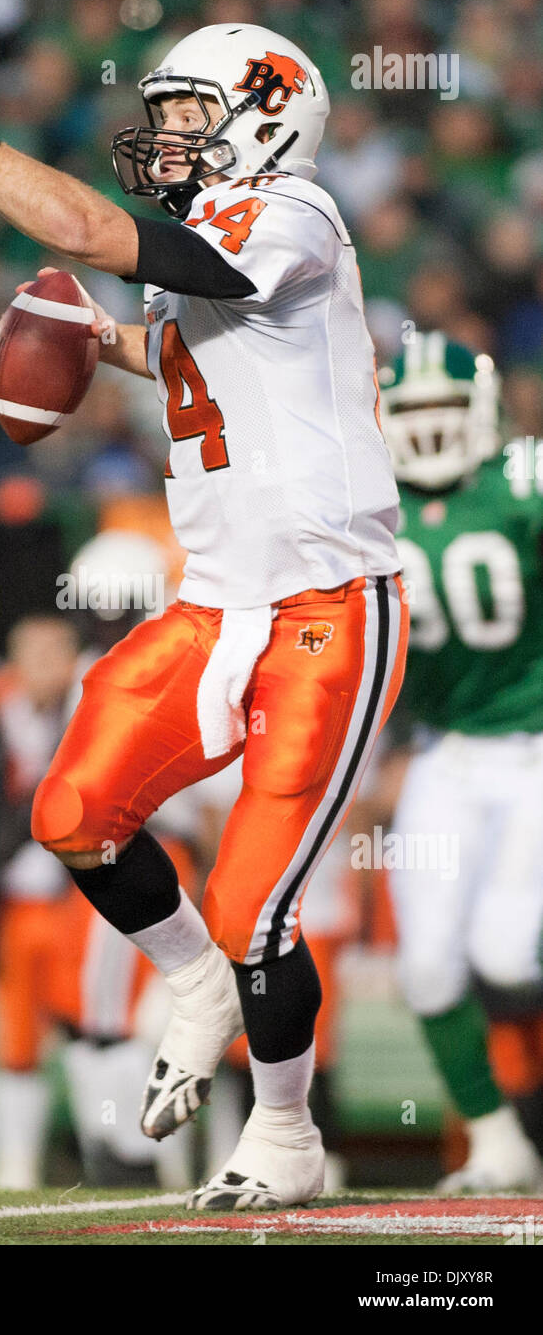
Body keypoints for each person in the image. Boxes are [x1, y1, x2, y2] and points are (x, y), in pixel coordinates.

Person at [0, 20, 408, 1210]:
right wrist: (89, 342)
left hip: (326, 605)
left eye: (188, 113)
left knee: (254, 902)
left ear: (263, 118)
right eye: (162, 111)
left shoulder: (293, 212)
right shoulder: (213, 250)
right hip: (214, 604)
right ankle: (190, 981)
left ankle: (284, 1126)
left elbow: (85, 229)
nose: (162, 134)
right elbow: (203, 362)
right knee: (71, 809)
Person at [382, 331, 543, 1192]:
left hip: (536, 746)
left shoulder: (524, 485)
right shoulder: (368, 505)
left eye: (448, 410)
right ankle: (496, 1142)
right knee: (427, 965)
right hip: (447, 753)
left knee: (510, 953)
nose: (434, 429)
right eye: (417, 413)